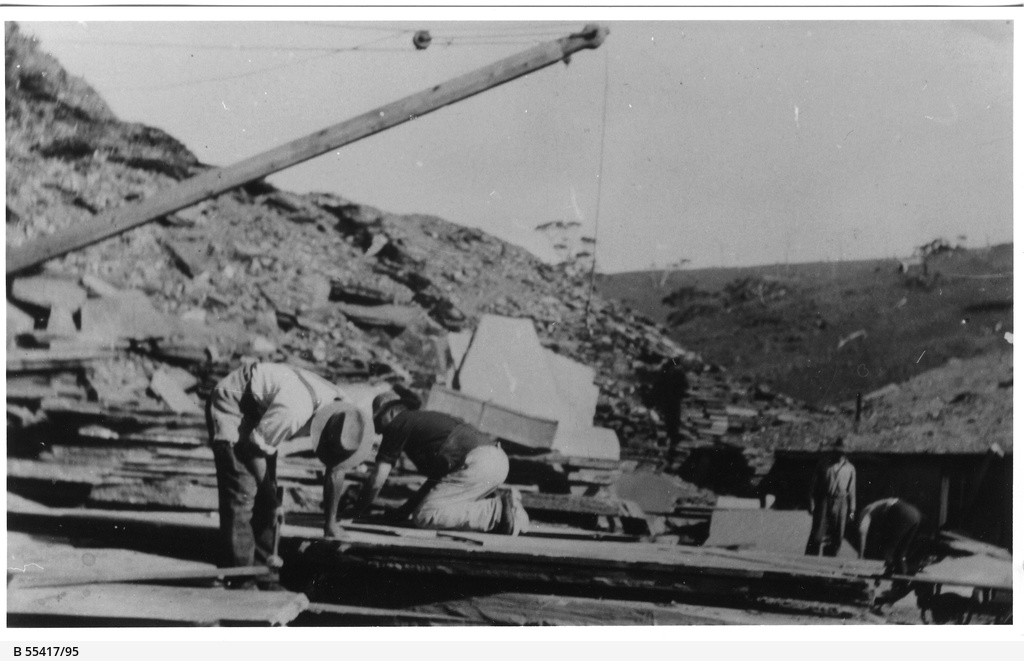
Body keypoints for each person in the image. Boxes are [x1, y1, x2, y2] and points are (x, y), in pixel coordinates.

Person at [206, 361, 372, 589]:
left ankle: (266, 576)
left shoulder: (346, 413)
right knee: (243, 495)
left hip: (264, 409)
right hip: (233, 402)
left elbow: (336, 467)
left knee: (268, 499)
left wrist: (330, 522)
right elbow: (253, 450)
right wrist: (273, 499)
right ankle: (241, 579)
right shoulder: (294, 411)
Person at [328, 389, 529, 538]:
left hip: (478, 463)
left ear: (390, 413)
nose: (378, 431)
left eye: (378, 420)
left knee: (425, 516)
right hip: (496, 462)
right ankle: (505, 510)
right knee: (433, 508)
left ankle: (497, 510)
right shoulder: (419, 423)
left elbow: (377, 480)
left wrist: (356, 512)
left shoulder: (398, 424)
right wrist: (403, 511)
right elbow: (436, 483)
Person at [804, 436, 857, 557]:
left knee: (837, 535)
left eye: (843, 452)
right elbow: (813, 485)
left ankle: (829, 561)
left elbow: (852, 491)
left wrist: (852, 510)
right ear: (834, 451)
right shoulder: (823, 464)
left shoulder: (850, 469)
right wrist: (811, 502)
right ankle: (809, 561)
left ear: (846, 453)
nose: (840, 454)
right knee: (817, 534)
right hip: (824, 500)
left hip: (842, 502)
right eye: (838, 451)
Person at [857, 497, 923, 576]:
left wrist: (860, 557)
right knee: (900, 554)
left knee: (888, 550)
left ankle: (887, 577)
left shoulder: (865, 511)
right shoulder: (878, 505)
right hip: (915, 514)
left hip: (900, 511)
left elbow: (862, 532)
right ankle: (902, 582)